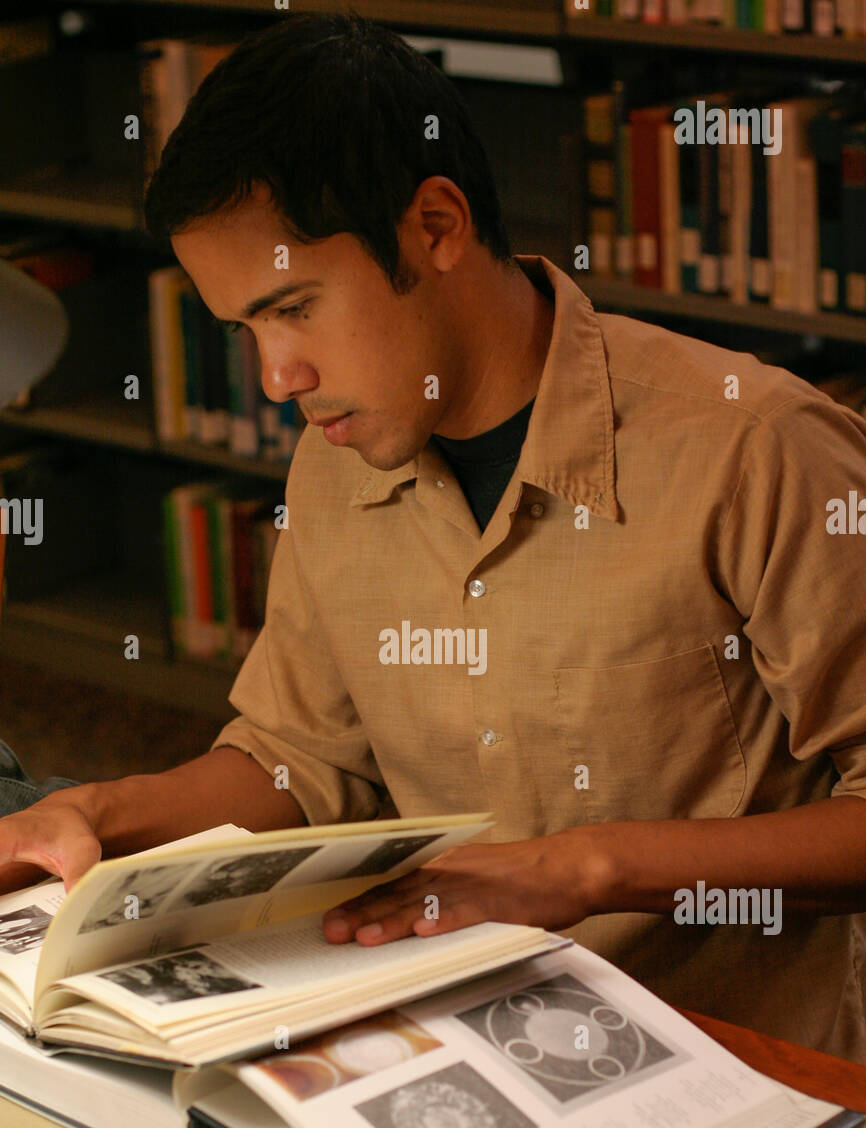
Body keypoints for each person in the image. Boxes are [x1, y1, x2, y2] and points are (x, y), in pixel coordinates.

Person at [2, 13, 866, 1061]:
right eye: (246, 331)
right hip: (454, 1045)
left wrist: (582, 869)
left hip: (740, 1063)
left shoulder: (754, 447)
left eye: (294, 308)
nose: (277, 378)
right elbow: (302, 759)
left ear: (437, 226)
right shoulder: (336, 457)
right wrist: (99, 807)